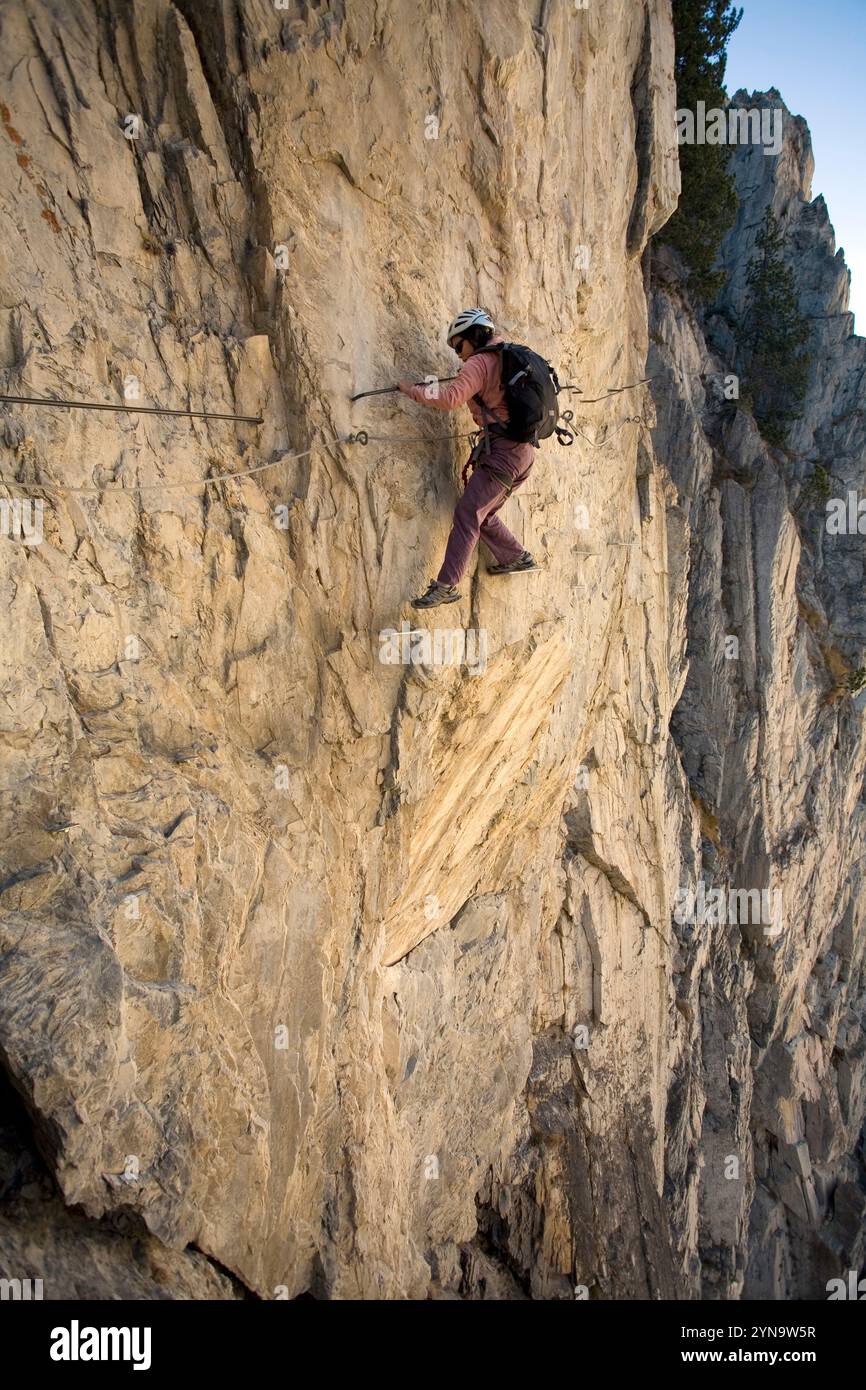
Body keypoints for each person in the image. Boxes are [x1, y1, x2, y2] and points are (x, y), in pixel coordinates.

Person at [398, 308, 538, 609]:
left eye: (458, 345)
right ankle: (516, 557)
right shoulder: (505, 356)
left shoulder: (478, 362)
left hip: (502, 455)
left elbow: (450, 398)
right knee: (483, 512)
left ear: (473, 337)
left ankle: (446, 585)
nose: (458, 354)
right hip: (524, 454)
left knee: (467, 514)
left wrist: (412, 390)